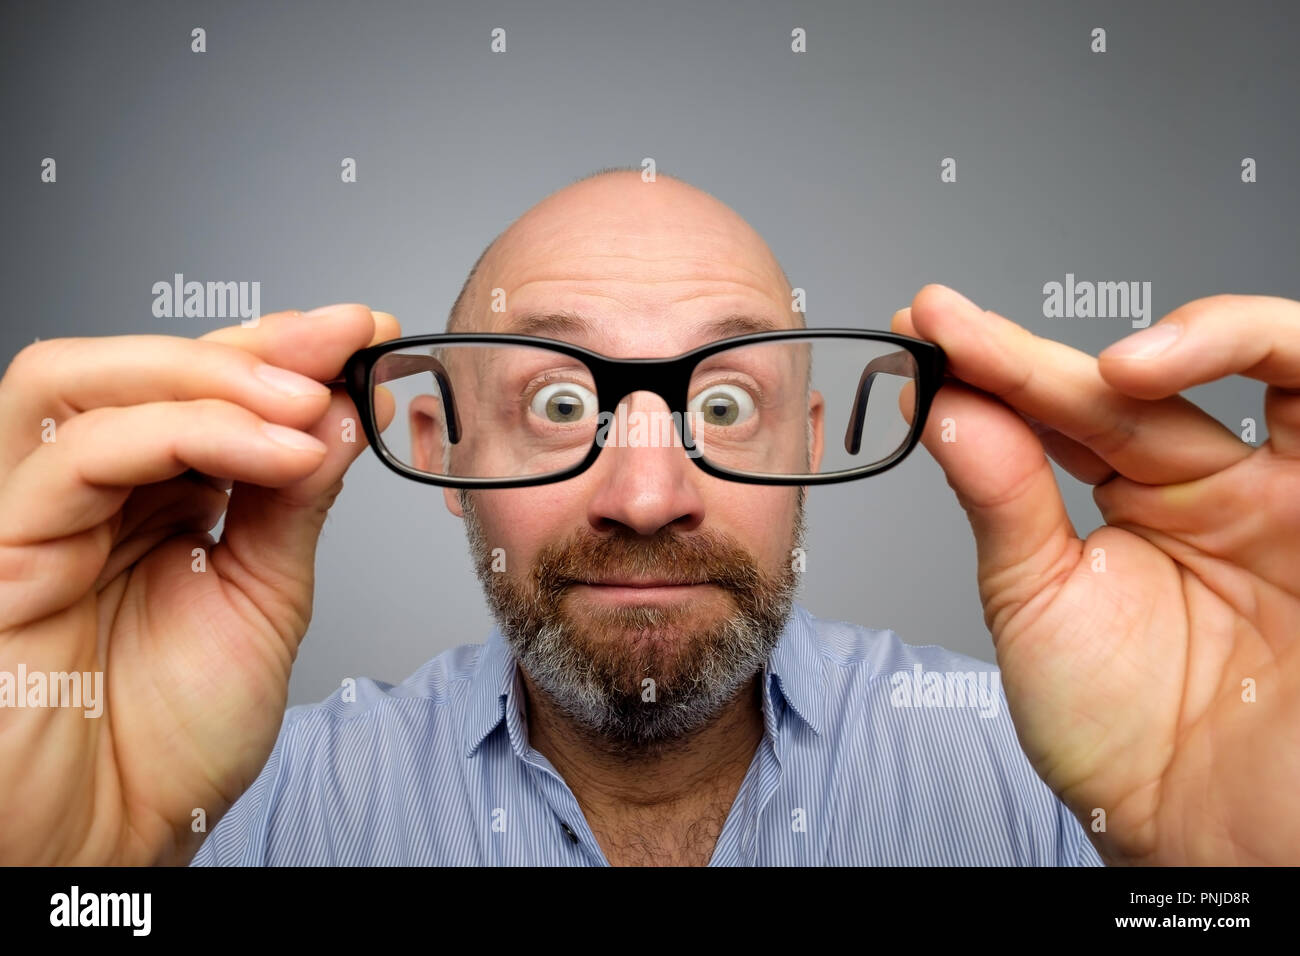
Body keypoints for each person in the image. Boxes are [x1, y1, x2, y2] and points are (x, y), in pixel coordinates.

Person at [1, 169, 1295, 866]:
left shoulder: (1044, 800)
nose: (645, 495)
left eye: (724, 408)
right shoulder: (245, 818)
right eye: (560, 402)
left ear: (805, 442)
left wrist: (1235, 876)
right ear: (439, 446)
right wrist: (65, 883)